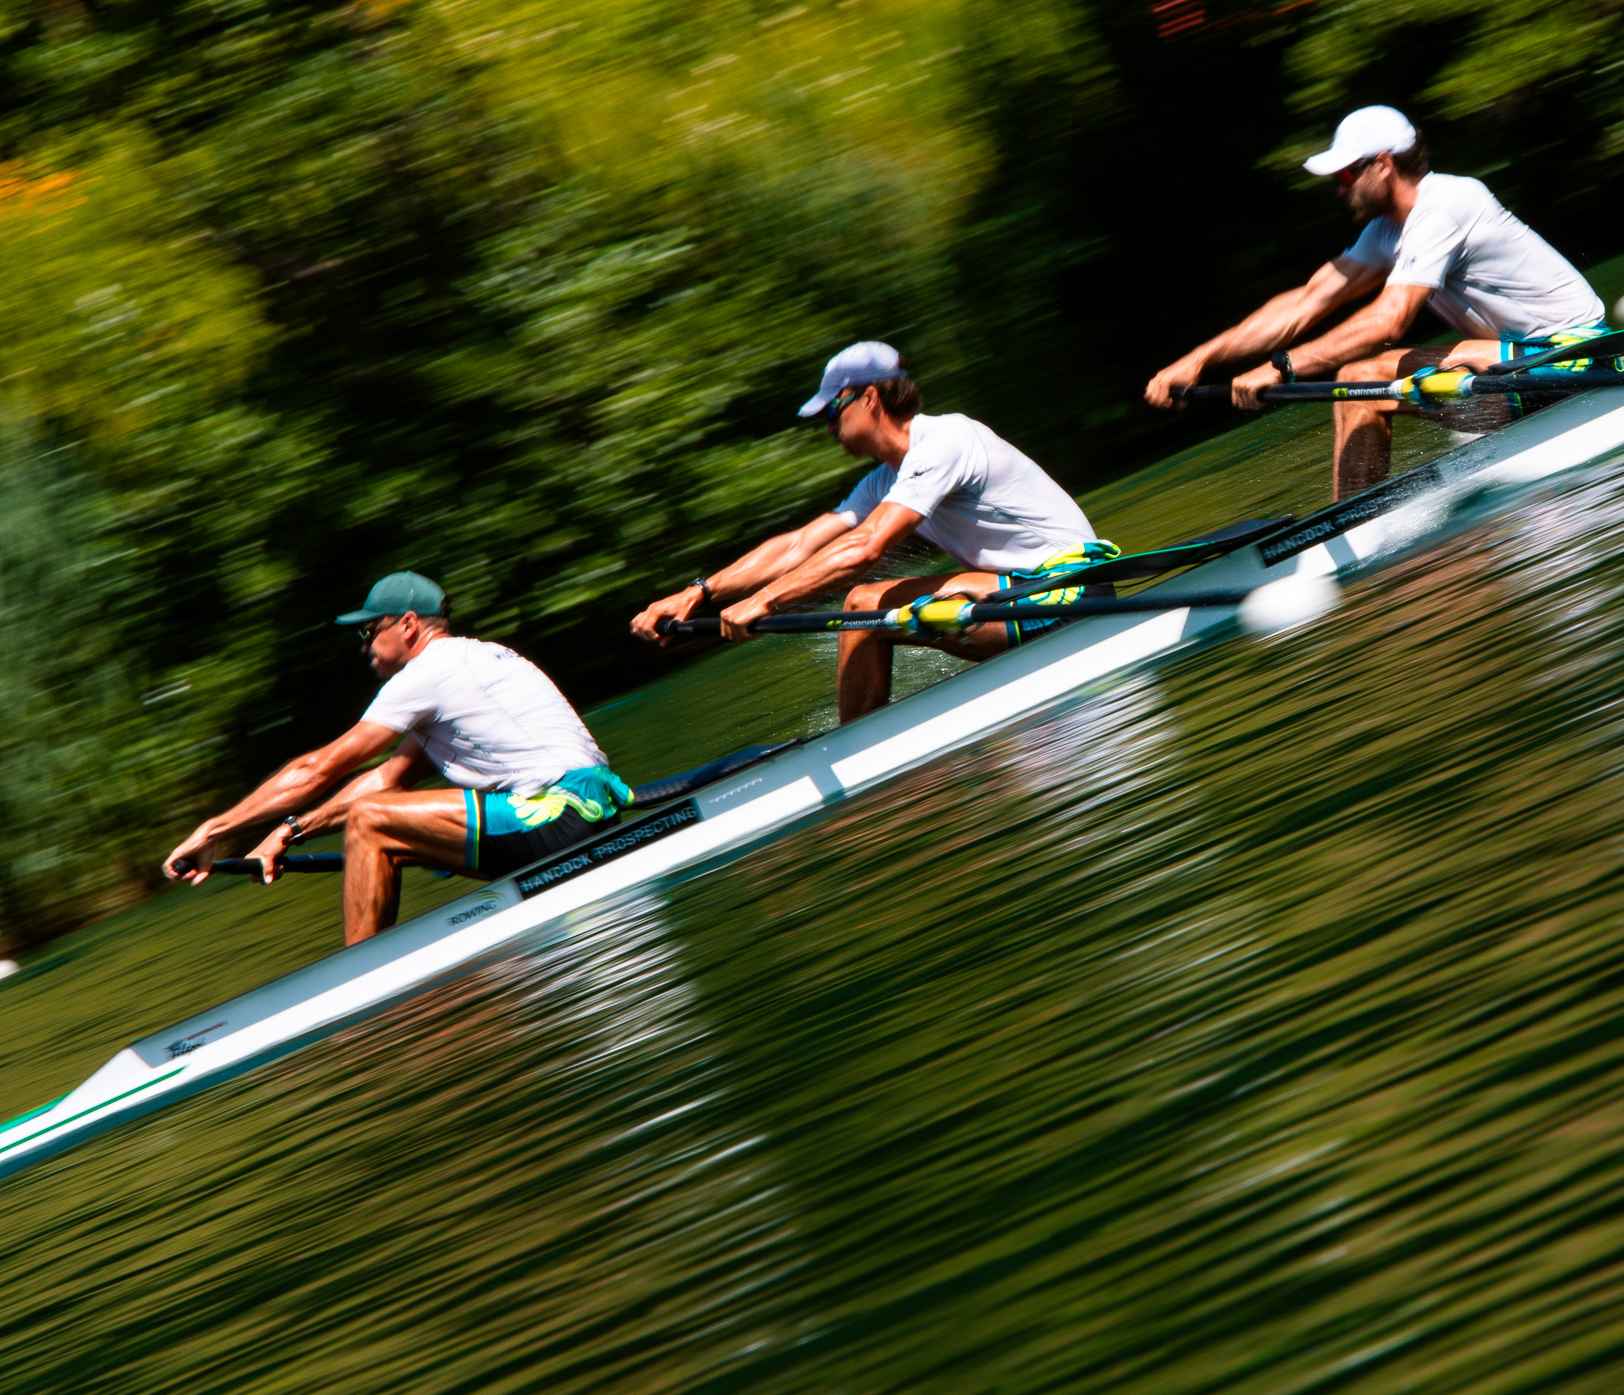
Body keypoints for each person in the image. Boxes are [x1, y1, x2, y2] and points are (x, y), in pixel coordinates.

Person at [630, 341, 1114, 722]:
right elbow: (800, 544)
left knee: (863, 602)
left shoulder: (946, 439)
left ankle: (861, 748)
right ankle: (871, 743)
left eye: (830, 411)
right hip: (1024, 595)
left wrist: (766, 601)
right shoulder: (885, 479)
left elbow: (866, 548)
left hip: (1068, 588)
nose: (826, 426)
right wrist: (699, 591)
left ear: (869, 396)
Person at [1143, 106, 1607, 498]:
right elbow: (1305, 302)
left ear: (1383, 164)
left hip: (1577, 356)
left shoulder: (1447, 203)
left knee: (1364, 375)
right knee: (1356, 383)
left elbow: (1389, 320)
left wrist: (1281, 368)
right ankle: (1357, 522)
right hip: (1517, 369)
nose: (1340, 188)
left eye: (1346, 174)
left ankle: (1357, 522)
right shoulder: (1386, 232)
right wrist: (1196, 360)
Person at [163, 572, 631, 944]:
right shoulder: (479, 659)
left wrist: (214, 829)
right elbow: (387, 777)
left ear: (408, 625)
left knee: (369, 823)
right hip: (591, 811)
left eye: (369, 631)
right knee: (380, 820)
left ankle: (362, 983)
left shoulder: (426, 673)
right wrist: (291, 832)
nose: (364, 647)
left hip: (555, 818)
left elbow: (317, 770)